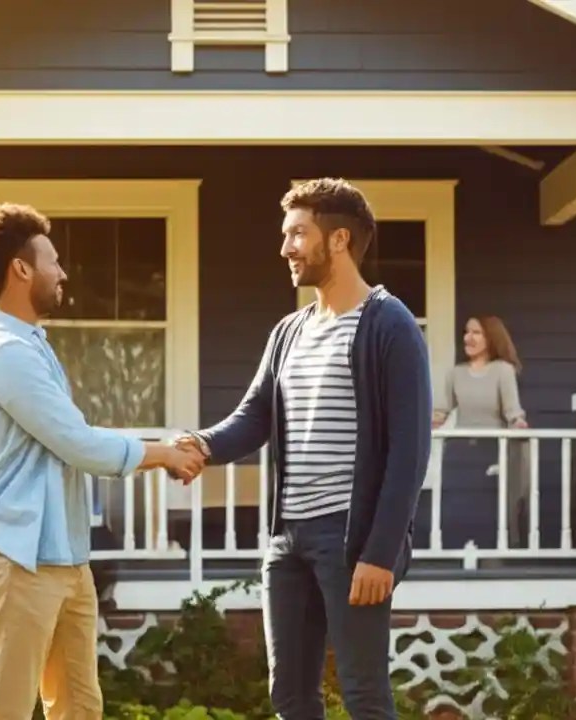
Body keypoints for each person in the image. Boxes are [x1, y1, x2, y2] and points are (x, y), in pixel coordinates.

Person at [175, 178, 431, 719]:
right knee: (289, 694)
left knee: (363, 693)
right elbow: (253, 418)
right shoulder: (289, 331)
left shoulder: (390, 324)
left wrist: (381, 552)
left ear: (338, 240)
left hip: (350, 536)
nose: (285, 247)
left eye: (297, 233)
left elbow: (410, 449)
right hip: (286, 538)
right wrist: (200, 444)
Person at [0, 202, 204, 719]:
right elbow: (78, 444)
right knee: (4, 709)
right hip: (20, 561)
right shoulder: (4, 352)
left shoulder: (31, 346)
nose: (63, 272)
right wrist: (162, 455)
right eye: (53, 261)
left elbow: (72, 438)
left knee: (79, 707)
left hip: (65, 557)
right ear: (21, 269)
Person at [431, 315, 529, 549]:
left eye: (476, 333)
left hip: (491, 452)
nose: (468, 337)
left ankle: (490, 565)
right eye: (466, 332)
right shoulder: (455, 374)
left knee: (488, 515)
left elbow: (513, 412)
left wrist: (519, 424)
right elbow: (440, 413)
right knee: (455, 513)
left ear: (490, 338)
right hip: (459, 453)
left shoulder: (502, 371)